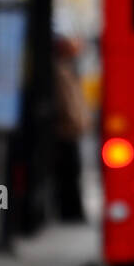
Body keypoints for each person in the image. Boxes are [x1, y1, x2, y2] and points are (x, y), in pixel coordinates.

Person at [52, 33, 89, 222]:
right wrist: (76, 119)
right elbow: (68, 103)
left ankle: (74, 211)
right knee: (68, 174)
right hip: (66, 130)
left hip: (71, 129)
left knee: (73, 172)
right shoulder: (60, 71)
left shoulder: (67, 69)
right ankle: (70, 213)